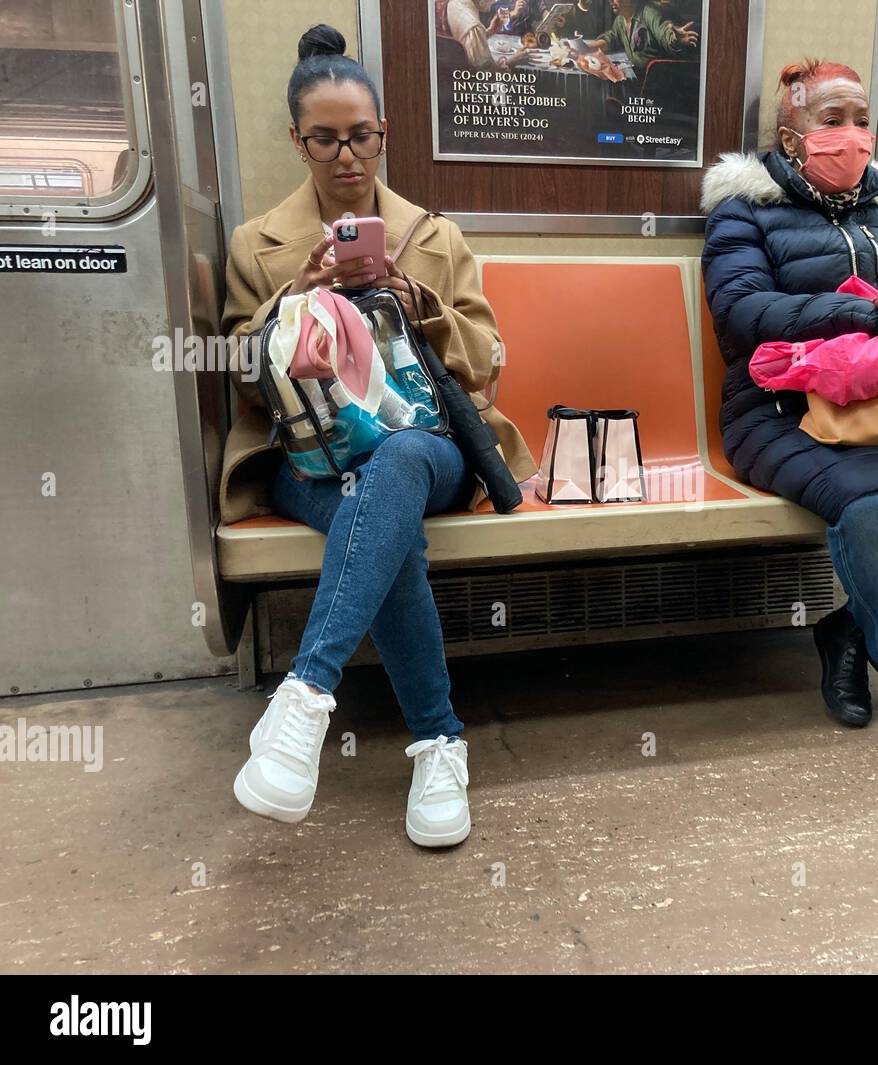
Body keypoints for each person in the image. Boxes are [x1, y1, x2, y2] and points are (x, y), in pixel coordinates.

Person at [220, 24, 536, 846]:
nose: (346, 156)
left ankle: (303, 700)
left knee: (393, 465)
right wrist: (297, 296)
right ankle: (439, 743)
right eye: (324, 139)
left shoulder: (434, 236)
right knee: (386, 527)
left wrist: (411, 297)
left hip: (427, 443)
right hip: (307, 455)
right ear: (296, 140)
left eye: (361, 136)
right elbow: (233, 374)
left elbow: (485, 363)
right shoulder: (256, 246)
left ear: (383, 134)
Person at [701, 59, 878, 730]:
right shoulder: (745, 214)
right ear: (792, 138)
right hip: (777, 408)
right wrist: (863, 311)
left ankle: (846, 632)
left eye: (861, 120)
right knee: (873, 509)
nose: (851, 135)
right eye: (831, 121)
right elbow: (740, 313)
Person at [591, 0, 699, 73]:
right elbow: (611, 38)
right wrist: (587, 47)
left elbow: (665, 33)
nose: (610, 1)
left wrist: (676, 39)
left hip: (656, 82)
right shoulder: (620, 20)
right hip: (637, 79)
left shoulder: (650, 13)